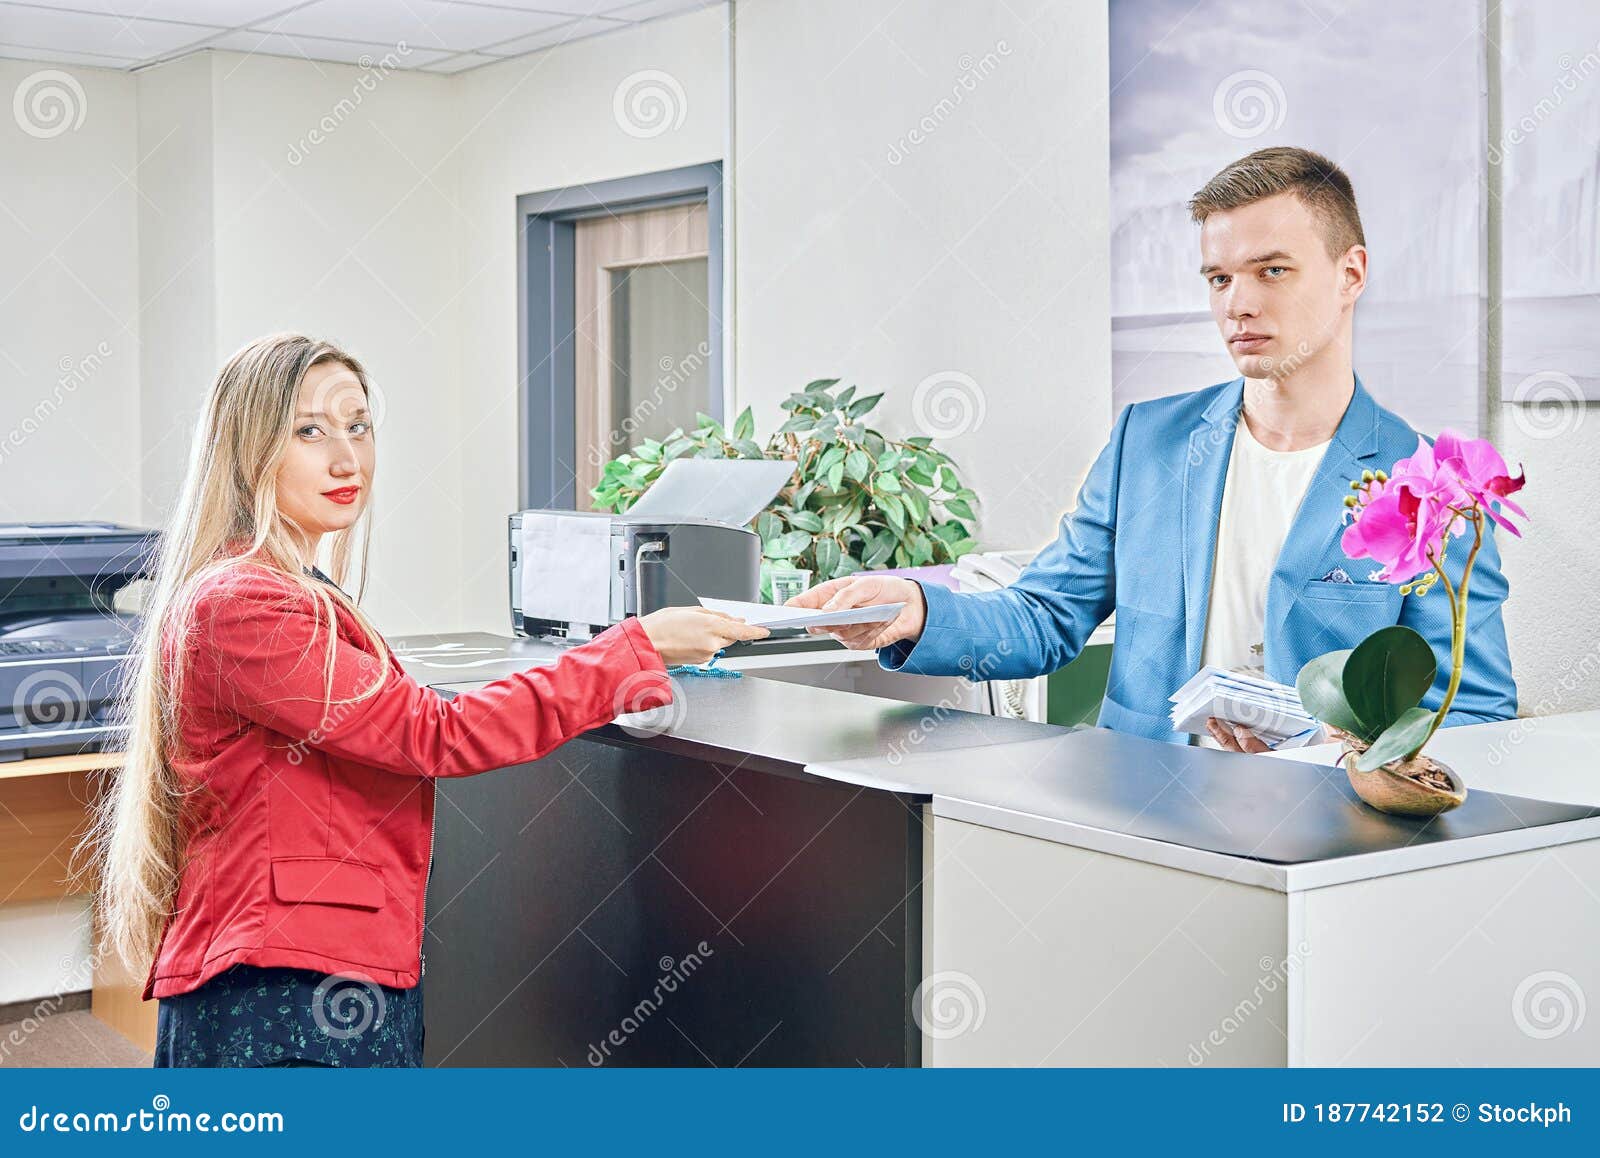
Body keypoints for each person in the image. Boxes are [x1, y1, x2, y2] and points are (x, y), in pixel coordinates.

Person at [84, 333, 767, 1067]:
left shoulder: (290, 590)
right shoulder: (242, 602)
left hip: (336, 969)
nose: (348, 458)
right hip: (283, 989)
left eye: (358, 425)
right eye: (309, 431)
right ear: (247, 450)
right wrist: (637, 648)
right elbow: (432, 734)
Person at [788, 146, 1516, 751]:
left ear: (1350, 273)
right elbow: (1046, 615)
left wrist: (1352, 754)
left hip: (1326, 849)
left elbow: (1478, 714)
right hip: (1143, 819)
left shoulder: (1432, 488)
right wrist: (918, 606)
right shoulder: (1149, 441)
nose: (1239, 304)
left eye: (1273, 270)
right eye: (1220, 278)